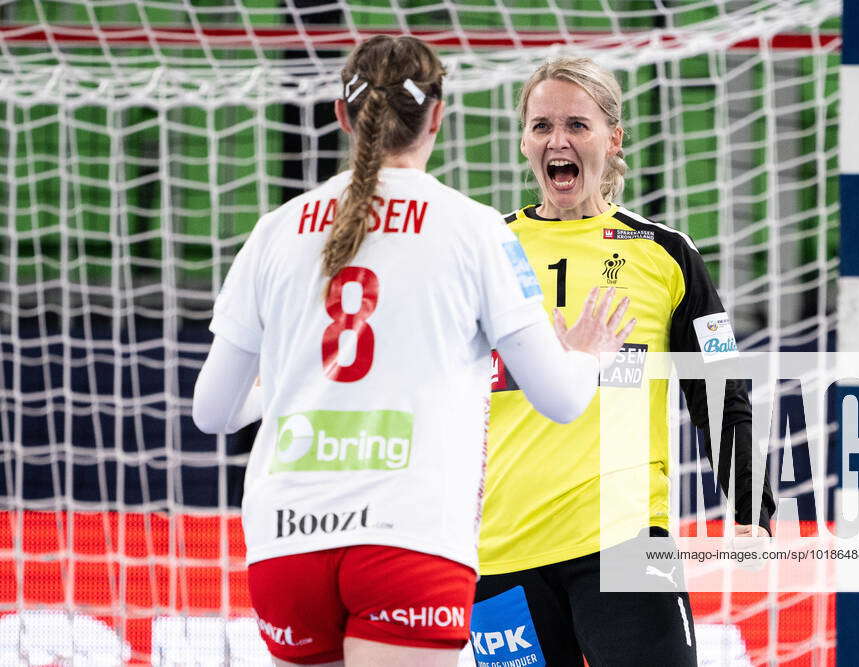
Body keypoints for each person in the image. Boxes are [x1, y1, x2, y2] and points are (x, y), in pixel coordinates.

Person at [191, 38, 635, 667]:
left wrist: (292, 385)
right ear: (438, 117)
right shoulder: (473, 228)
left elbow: (212, 411)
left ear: (344, 117)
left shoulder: (277, 229)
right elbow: (561, 400)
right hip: (410, 540)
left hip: (286, 539)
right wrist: (587, 354)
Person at [473, 57, 777, 666]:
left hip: (626, 544)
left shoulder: (665, 254)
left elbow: (718, 387)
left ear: (613, 140)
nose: (557, 141)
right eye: (541, 126)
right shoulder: (486, 250)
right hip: (502, 552)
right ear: (524, 141)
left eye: (577, 125)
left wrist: (748, 503)